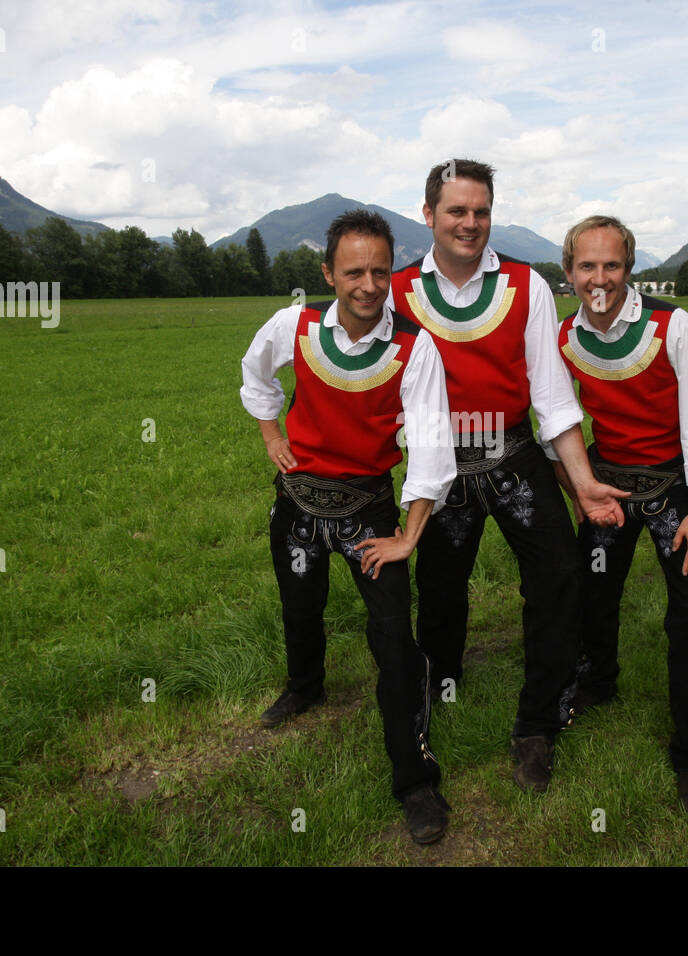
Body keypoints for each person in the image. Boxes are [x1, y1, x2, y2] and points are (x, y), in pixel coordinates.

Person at [388, 159, 628, 793]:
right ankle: (440, 684)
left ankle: (538, 724)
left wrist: (580, 483)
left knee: (558, 578)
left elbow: (551, 397)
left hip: (517, 454)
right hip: (443, 464)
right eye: (456, 211)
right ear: (429, 214)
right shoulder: (396, 291)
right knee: (439, 590)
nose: (470, 223)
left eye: (481, 211)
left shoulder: (528, 286)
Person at [239, 209, 457, 844]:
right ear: (329, 272)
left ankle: (415, 781)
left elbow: (432, 446)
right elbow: (255, 374)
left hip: (368, 509)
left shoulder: (415, 348)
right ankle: (304, 688)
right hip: (298, 502)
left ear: (392, 273)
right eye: (354, 271)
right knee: (299, 606)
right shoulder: (295, 324)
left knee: (393, 639)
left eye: (380, 272)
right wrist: (272, 432)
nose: (368, 285)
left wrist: (410, 535)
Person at [551, 215, 688, 819]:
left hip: (677, 484)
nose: (599, 278)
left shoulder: (673, 327)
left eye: (612, 265)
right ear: (569, 272)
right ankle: (598, 682)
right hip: (607, 485)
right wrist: (578, 490)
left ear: (629, 269)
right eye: (586, 266)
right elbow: (559, 422)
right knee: (593, 594)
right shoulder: (563, 339)